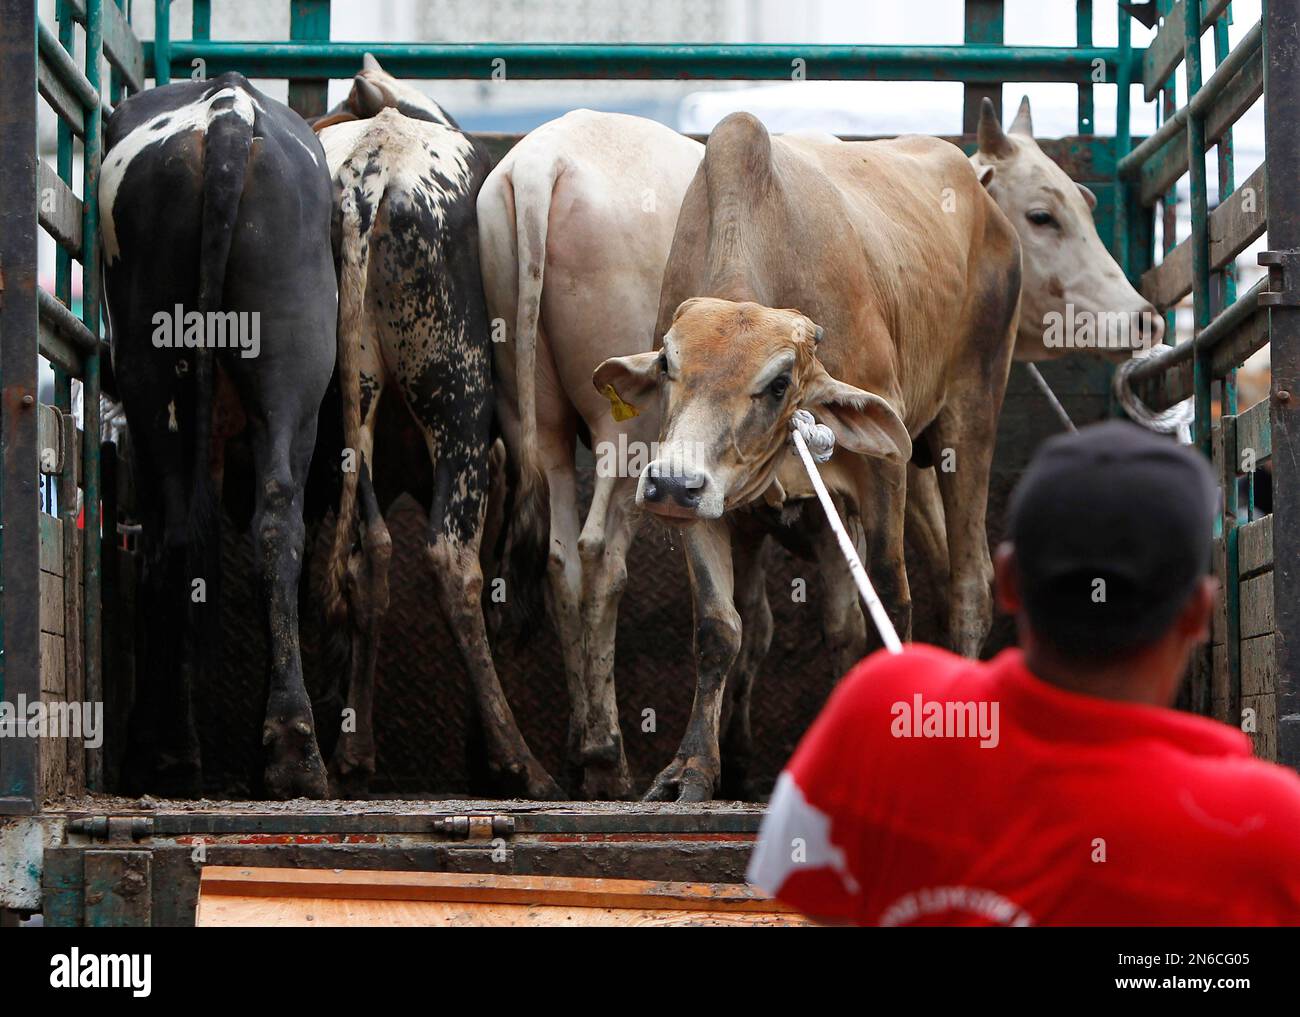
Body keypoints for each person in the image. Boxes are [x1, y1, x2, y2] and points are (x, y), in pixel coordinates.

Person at [748, 420, 1300, 925]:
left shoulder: (886, 708)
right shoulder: (1270, 829)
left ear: (1006, 582)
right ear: (1199, 612)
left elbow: (805, 898)